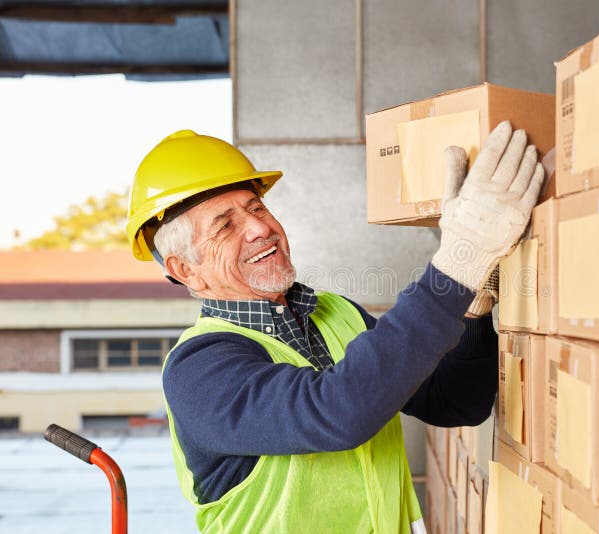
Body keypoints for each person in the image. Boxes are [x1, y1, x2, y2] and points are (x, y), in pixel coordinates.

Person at [125, 121, 544, 533]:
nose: (259, 228)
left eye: (256, 207)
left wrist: (472, 306)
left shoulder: (336, 314)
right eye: (225, 226)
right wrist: (458, 261)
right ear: (187, 271)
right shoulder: (198, 372)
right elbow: (336, 412)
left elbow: (455, 402)